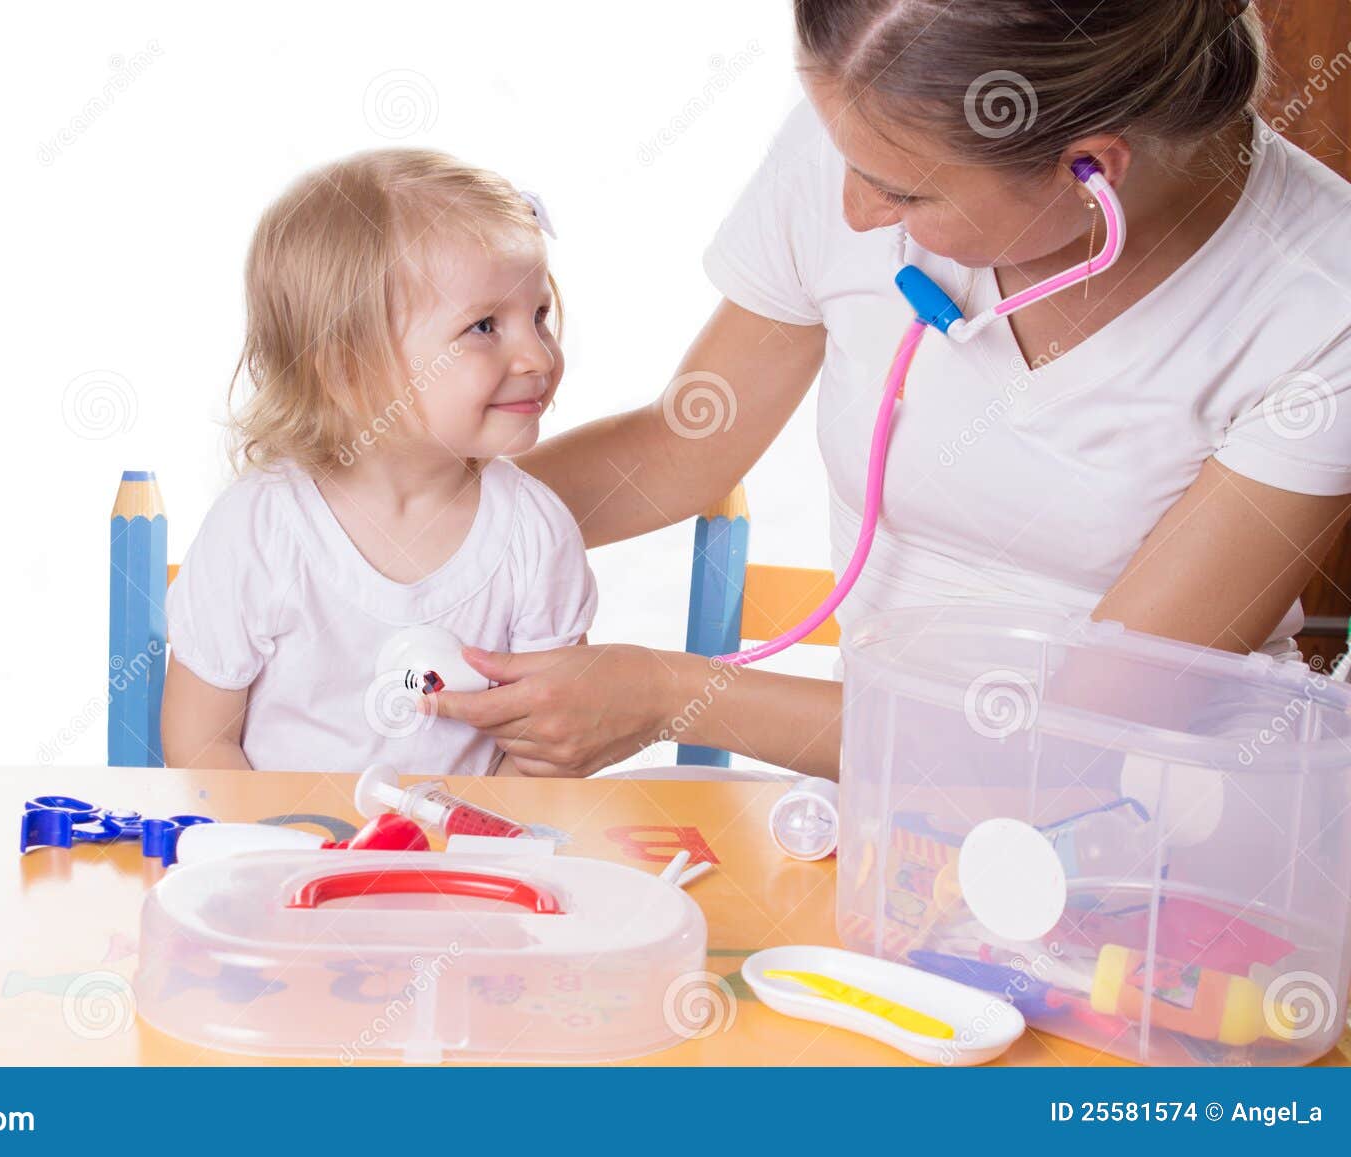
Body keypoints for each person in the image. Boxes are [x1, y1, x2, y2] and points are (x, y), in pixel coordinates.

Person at [426, 0, 1351, 778]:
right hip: (885, 794)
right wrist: (402, 521)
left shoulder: (1322, 303)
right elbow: (682, 448)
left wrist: (672, 696)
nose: (855, 214)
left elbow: (1083, 740)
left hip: (1151, 827)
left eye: (901, 196)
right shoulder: (878, 123)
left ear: (1091, 174)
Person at [161, 149, 596, 773]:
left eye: (539, 316)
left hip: (463, 864)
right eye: (483, 327)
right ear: (346, 367)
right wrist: (274, 856)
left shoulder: (536, 533)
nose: (539, 355)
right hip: (279, 856)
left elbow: (542, 750)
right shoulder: (261, 528)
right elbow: (200, 744)